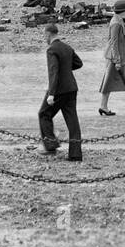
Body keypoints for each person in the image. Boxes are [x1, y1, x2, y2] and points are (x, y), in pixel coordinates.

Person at [38, 23, 83, 162]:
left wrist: (51, 94)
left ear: (48, 34)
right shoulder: (67, 47)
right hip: (71, 88)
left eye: (44, 35)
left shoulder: (51, 50)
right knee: (72, 121)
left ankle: (50, 145)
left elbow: (53, 72)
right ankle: (75, 154)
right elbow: (78, 63)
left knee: (44, 114)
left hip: (58, 90)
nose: (44, 37)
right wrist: (66, 71)